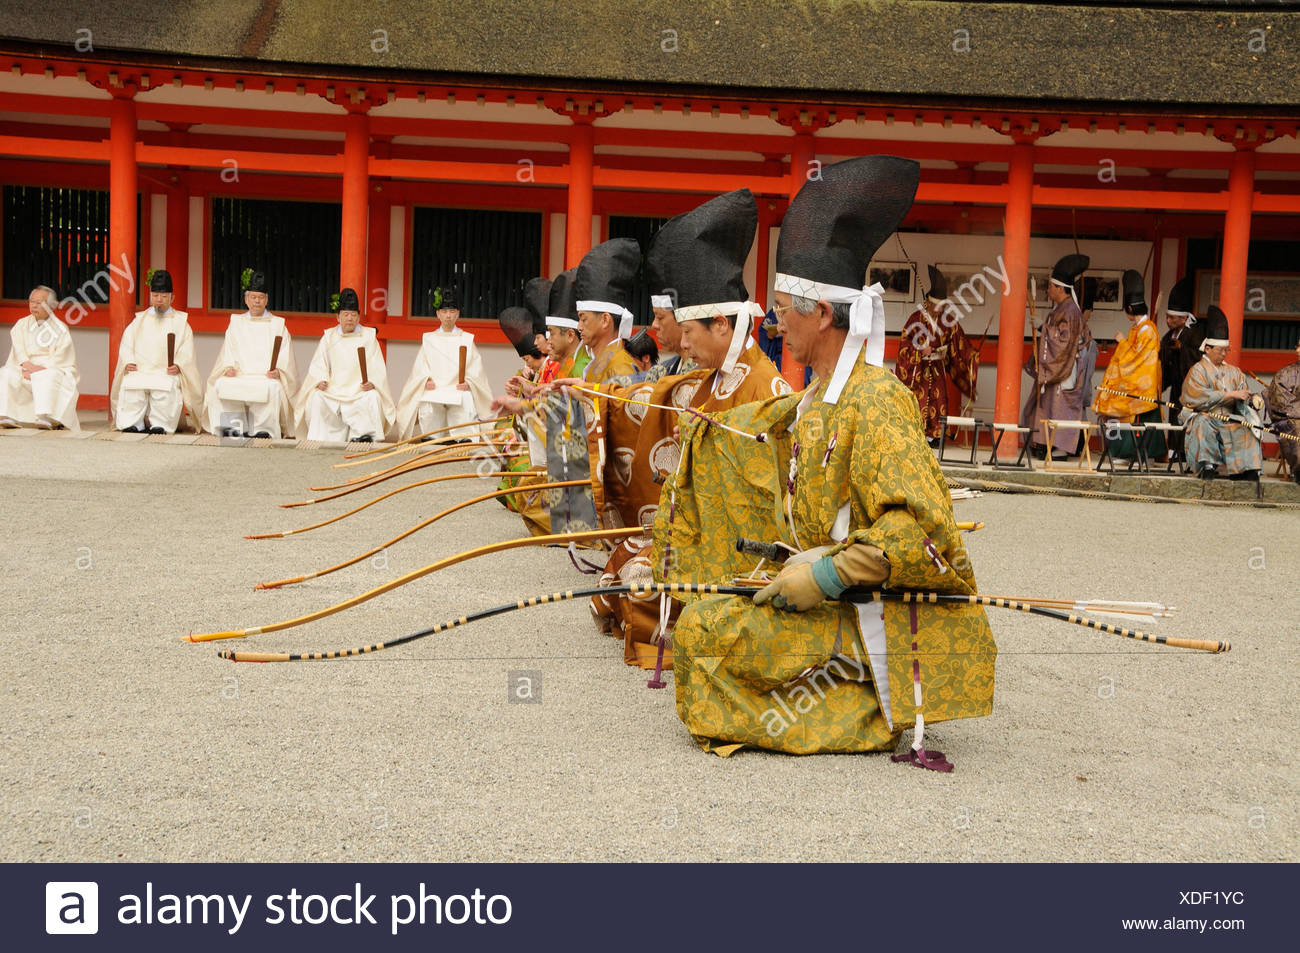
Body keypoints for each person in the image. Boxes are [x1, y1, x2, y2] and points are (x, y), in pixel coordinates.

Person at [656, 156, 995, 761]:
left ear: (824, 314)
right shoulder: (815, 397)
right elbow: (761, 428)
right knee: (707, 621)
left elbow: (916, 529)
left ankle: (867, 704)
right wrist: (703, 427)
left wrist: (828, 573)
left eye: (785, 310)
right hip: (824, 586)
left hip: (867, 609)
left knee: (708, 634)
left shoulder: (877, 400)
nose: (776, 322)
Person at [589, 187, 791, 668]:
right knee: (618, 571)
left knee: (637, 579)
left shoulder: (767, 388)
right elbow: (654, 396)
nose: (685, 345)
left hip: (741, 551)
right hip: (693, 531)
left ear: (721, 324)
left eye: (691, 332)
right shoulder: (711, 379)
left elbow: (773, 496)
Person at [203, 270, 299, 438]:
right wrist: (229, 367)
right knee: (221, 384)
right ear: (246, 299)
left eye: (260, 297)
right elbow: (229, 350)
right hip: (240, 374)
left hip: (265, 376)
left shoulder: (277, 324)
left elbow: (285, 355)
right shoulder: (236, 322)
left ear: (266, 300)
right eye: (253, 297)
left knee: (270, 388)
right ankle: (234, 429)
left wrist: (278, 371)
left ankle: (264, 431)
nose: (257, 301)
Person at [392, 289, 493, 442]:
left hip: (457, 387)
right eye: (444, 311)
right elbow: (420, 368)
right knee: (428, 399)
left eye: (452, 311)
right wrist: (425, 380)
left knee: (465, 398)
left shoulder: (466, 339)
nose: (448, 316)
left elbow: (476, 370)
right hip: (436, 387)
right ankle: (433, 436)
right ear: (438, 314)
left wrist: (469, 383)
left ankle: (463, 437)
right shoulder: (429, 339)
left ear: (458, 314)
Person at [296, 287, 394, 443]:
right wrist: (320, 379)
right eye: (346, 315)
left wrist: (372, 383)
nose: (350, 319)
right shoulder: (329, 336)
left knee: (372, 397)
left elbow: (377, 366)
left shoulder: (368, 336)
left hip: (359, 389)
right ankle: (321, 439)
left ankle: (363, 438)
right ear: (338, 317)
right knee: (317, 397)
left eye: (353, 315)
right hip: (334, 388)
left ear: (359, 316)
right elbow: (318, 363)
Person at [110, 269, 203, 433]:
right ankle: (133, 423)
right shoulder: (139, 320)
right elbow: (127, 343)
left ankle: (160, 425)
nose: (159, 300)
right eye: (155, 296)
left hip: (165, 371)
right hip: (141, 370)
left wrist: (179, 365)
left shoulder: (181, 322)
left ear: (172, 297)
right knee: (132, 384)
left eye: (164, 296)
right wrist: (128, 361)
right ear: (150, 295)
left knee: (165, 387)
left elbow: (186, 352)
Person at [893, 264, 978, 443]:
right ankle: (917, 433)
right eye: (936, 305)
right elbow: (904, 346)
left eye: (942, 306)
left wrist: (971, 355)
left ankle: (936, 435)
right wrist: (919, 350)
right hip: (920, 370)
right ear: (929, 302)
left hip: (937, 368)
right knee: (920, 401)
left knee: (939, 401)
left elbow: (959, 342)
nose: (939, 309)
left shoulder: (947, 321)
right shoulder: (916, 319)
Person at [1179, 306, 1263, 481]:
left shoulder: (1234, 371)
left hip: (1230, 416)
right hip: (1207, 415)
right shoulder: (1198, 370)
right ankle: (1207, 465)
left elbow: (1242, 391)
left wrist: (1250, 399)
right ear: (1208, 349)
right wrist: (1229, 395)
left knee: (1247, 426)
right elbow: (1195, 397)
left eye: (1226, 350)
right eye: (1220, 350)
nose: (1224, 354)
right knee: (1202, 423)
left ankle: (1247, 468)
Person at [1093, 269, 1166, 462]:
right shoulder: (1138, 328)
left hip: (1142, 385)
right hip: (1133, 380)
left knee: (1135, 415)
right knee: (1116, 405)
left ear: (1131, 309)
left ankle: (1135, 453)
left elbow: (1137, 358)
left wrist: (1123, 342)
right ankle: (1122, 451)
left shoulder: (1148, 330)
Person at [1022, 253, 1090, 458]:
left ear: (1061, 288)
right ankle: (1045, 443)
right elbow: (1058, 334)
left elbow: (1065, 341)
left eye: (1051, 286)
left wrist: (1045, 331)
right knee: (1048, 404)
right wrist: (1043, 326)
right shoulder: (1062, 308)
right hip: (1059, 365)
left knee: (1061, 406)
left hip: (1064, 367)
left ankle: (1060, 447)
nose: (1048, 289)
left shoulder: (1070, 311)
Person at [0, 286, 80, 430]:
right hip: (24, 366)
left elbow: (61, 357)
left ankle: (44, 417)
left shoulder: (60, 328)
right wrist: (27, 366)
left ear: (51, 306)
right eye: (32, 302)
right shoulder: (21, 324)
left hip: (49, 367)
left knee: (47, 375)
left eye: (39, 302)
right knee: (5, 373)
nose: (34, 306)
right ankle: (7, 415)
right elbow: (18, 350)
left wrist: (38, 370)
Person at [1158, 276, 1206, 462]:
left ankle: (1187, 451)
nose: (1169, 321)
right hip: (1176, 385)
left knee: (1188, 418)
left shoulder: (1195, 334)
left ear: (1184, 318)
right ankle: (1175, 451)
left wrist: (1182, 350)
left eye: (1173, 318)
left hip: (1191, 387)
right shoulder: (1169, 335)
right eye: (1167, 317)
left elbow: (1200, 358)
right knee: (1174, 416)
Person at [1265, 338, 1300, 483]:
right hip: (1290, 420)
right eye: (1298, 346)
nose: (1297, 350)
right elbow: (1281, 402)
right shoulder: (1285, 374)